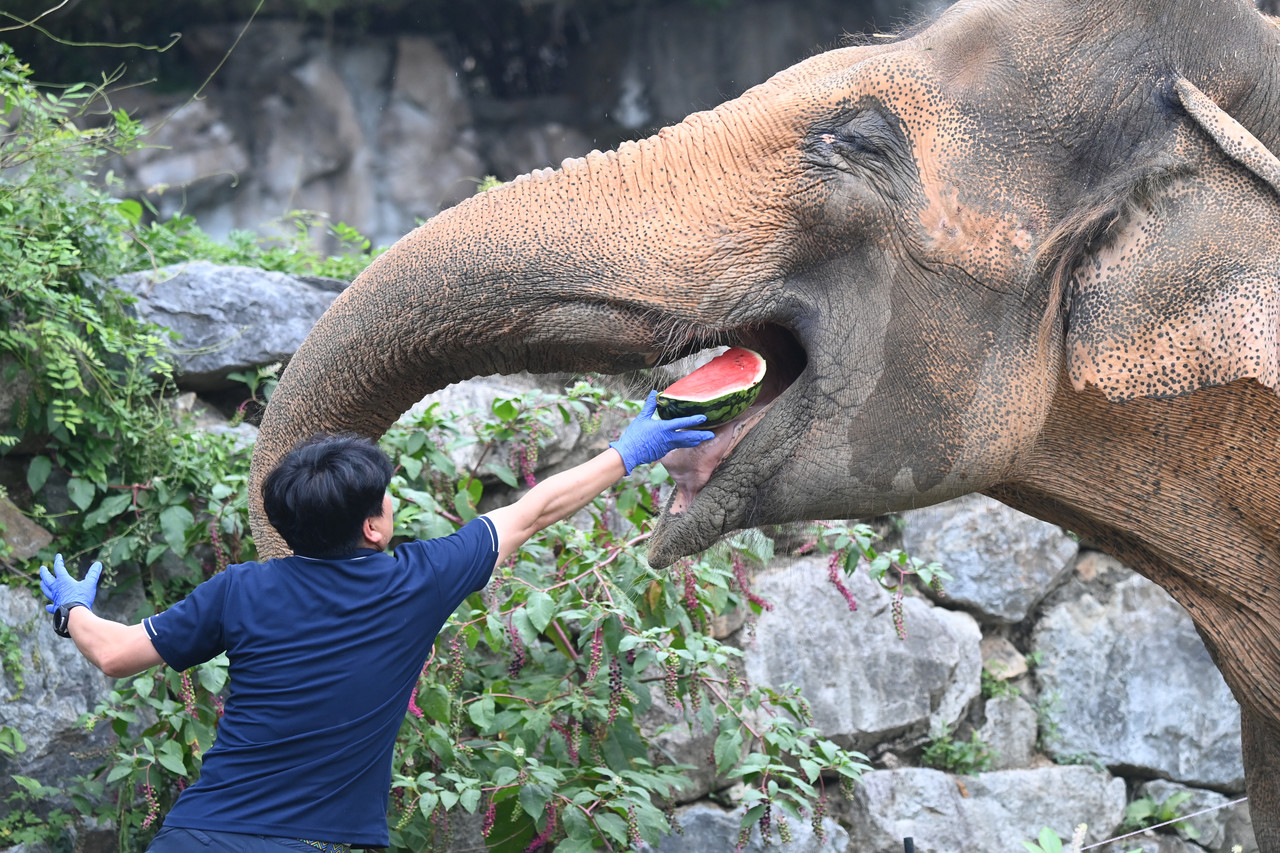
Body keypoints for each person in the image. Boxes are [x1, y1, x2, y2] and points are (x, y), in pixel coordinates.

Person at [39, 391, 713, 853]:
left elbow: (116, 654)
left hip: (195, 835)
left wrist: (72, 609)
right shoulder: (418, 581)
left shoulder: (240, 588)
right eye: (385, 497)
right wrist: (630, 449)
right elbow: (534, 511)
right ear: (371, 527)